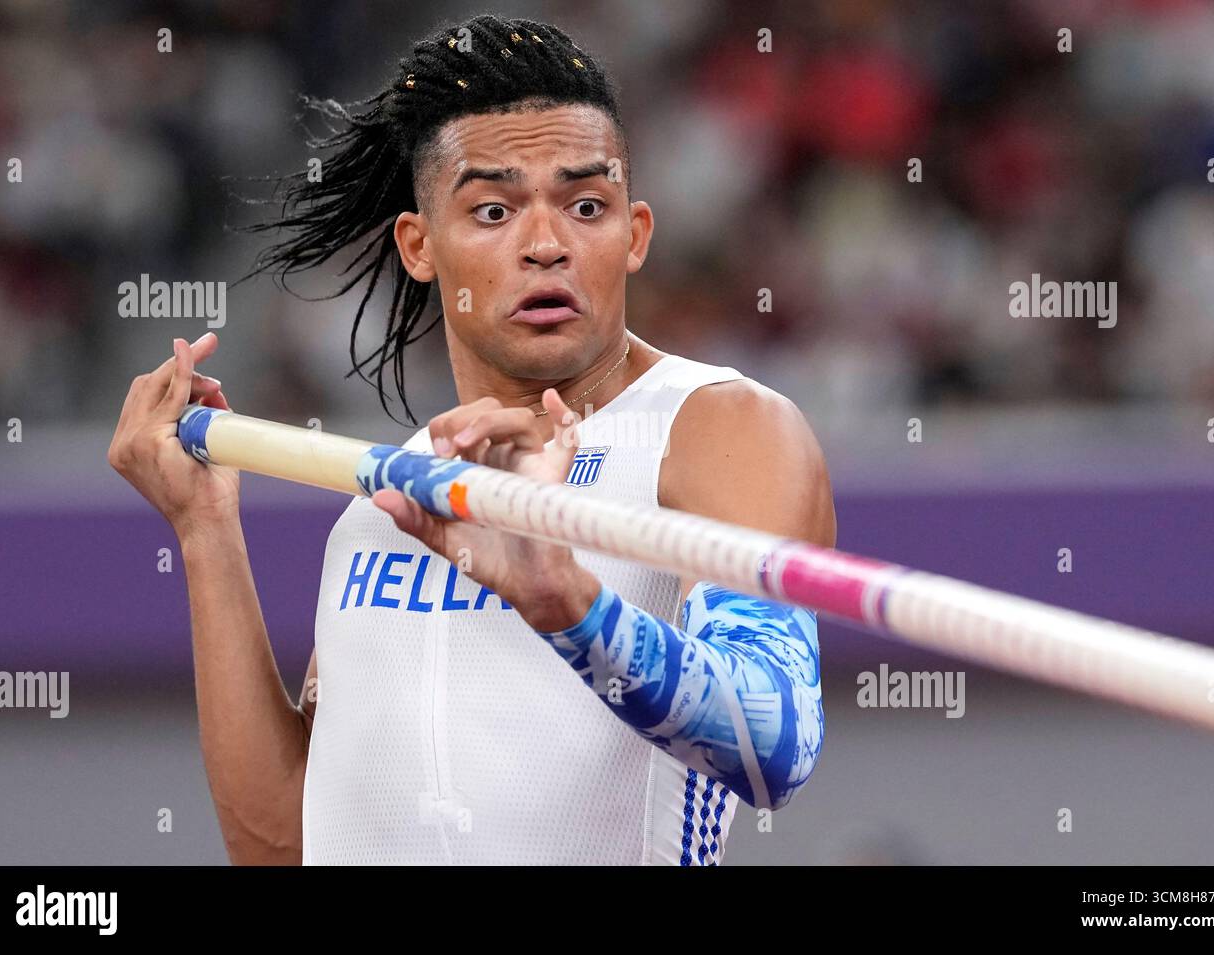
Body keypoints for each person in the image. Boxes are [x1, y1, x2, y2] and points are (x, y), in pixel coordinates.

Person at [108, 14, 835, 865]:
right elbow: (284, 850)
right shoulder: (379, 512)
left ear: (634, 235)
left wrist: (564, 599)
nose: (546, 244)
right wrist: (204, 534)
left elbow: (773, 745)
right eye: (493, 209)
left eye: (586, 205)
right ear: (420, 246)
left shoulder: (719, 428)